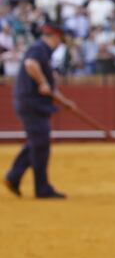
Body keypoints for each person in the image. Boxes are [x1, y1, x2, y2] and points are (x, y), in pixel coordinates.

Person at [4, 24, 77, 199]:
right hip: (31, 103)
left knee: (38, 142)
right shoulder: (40, 48)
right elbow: (30, 65)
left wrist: (65, 102)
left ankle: (14, 177)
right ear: (56, 37)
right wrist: (43, 82)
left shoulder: (42, 51)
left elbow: (49, 86)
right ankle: (40, 188)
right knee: (40, 143)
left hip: (31, 102)